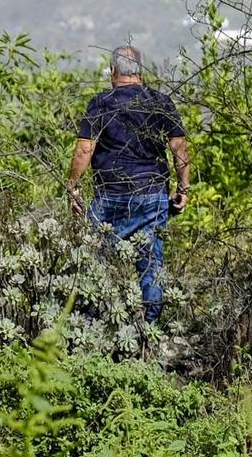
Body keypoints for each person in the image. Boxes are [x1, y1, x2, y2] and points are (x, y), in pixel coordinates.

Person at [67, 46, 191, 324]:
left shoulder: (100, 104)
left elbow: (84, 150)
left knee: (95, 259)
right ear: (139, 71)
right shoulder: (160, 101)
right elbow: (179, 150)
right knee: (150, 262)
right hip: (151, 193)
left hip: (109, 195)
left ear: (113, 72)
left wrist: (73, 187)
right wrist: (183, 189)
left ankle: (91, 323)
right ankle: (149, 328)